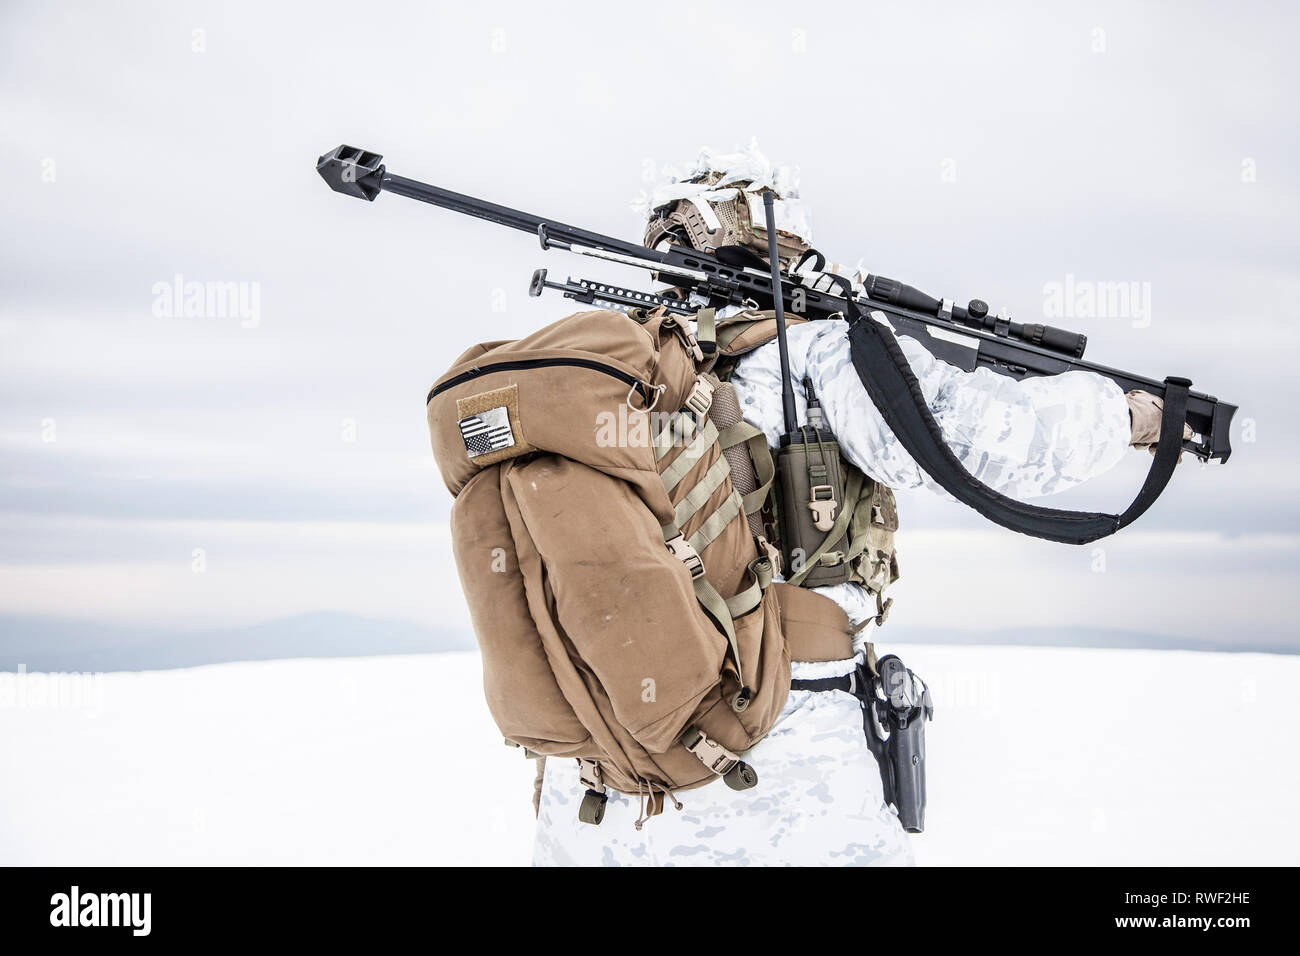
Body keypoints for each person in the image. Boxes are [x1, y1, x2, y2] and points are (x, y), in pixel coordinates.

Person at [531, 144, 1181, 866]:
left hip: (595, 786)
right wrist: (1129, 420)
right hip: (779, 772)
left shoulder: (605, 373)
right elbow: (989, 443)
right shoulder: (813, 350)